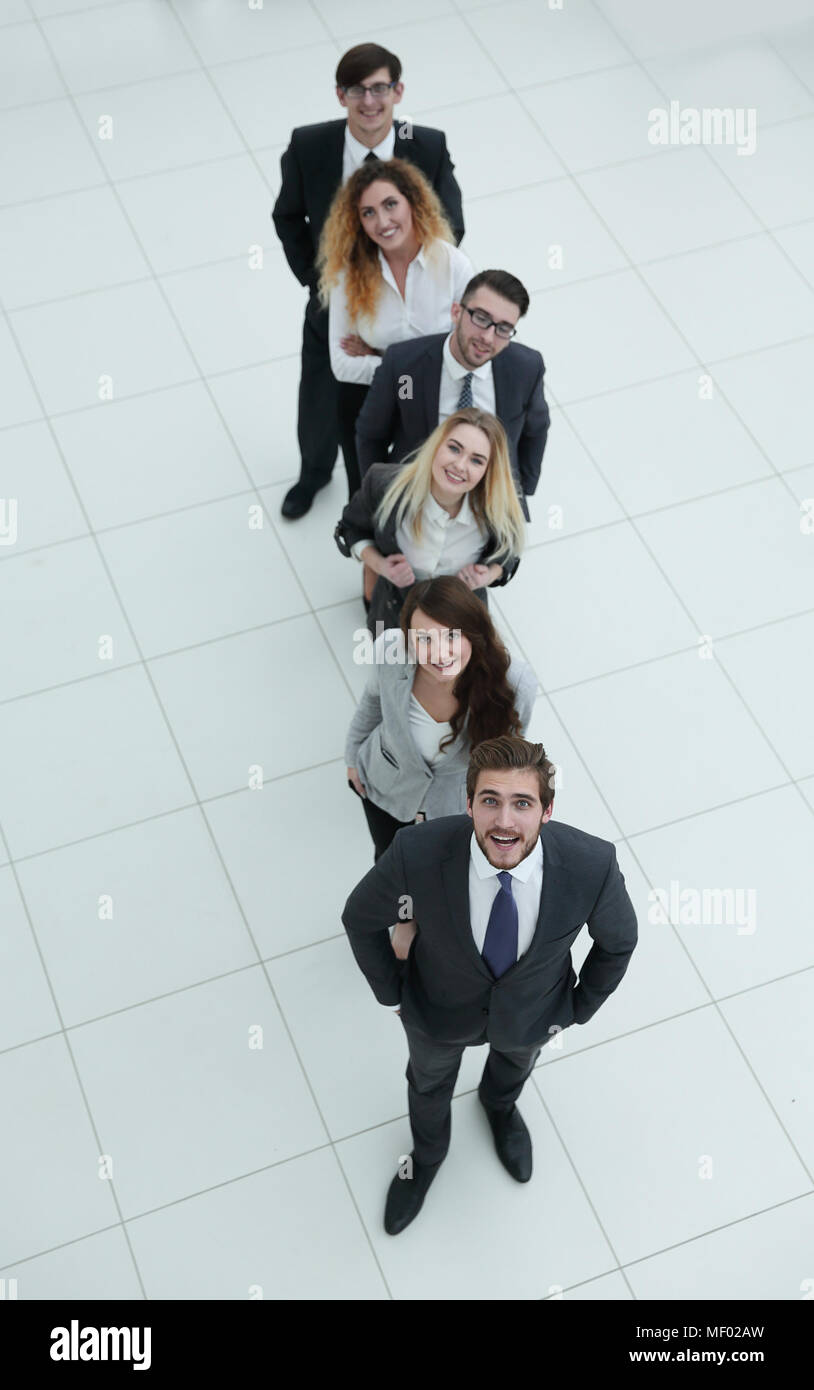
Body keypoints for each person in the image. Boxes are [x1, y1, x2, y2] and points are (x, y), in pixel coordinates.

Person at [341, 735, 639, 1235]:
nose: (504, 821)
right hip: (435, 1010)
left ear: (547, 810)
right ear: (469, 805)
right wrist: (392, 992)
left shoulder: (592, 865)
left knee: (516, 1066)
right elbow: (359, 918)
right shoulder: (418, 851)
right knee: (429, 1083)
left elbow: (619, 943)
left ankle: (498, 1107)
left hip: (532, 1015)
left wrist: (574, 1009)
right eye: (490, 801)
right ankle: (429, 1155)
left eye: (522, 803)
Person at [272, 42, 464, 521]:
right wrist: (318, 282)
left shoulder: (429, 144)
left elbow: (451, 222)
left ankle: (402, 485)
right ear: (341, 96)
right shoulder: (309, 144)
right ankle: (314, 473)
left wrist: (413, 275)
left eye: (380, 88)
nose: (370, 101)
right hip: (336, 300)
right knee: (320, 392)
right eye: (357, 90)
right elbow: (287, 215)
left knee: (403, 401)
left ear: (398, 91)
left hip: (405, 296)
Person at [346, 576, 539, 860]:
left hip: (455, 804)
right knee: (387, 858)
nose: (439, 653)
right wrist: (353, 758)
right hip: (386, 785)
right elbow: (372, 703)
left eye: (452, 635)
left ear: (474, 632)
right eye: (424, 639)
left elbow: (507, 758)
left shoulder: (515, 684)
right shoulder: (390, 650)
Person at [319, 156, 475, 499]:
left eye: (391, 204)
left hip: (438, 403)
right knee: (372, 496)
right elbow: (343, 364)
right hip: (372, 403)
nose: (383, 221)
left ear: (412, 202)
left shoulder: (451, 264)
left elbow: (473, 347)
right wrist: (423, 364)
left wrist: (383, 357)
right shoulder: (349, 277)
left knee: (434, 494)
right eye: (368, 213)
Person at [355, 268, 550, 521]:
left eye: (503, 328)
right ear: (456, 312)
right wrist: (378, 493)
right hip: (417, 489)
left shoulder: (526, 368)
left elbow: (536, 430)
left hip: (490, 497)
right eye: (481, 318)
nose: (488, 337)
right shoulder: (405, 368)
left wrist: (521, 489)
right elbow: (371, 435)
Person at [334, 407, 525, 634]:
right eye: (454, 448)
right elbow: (351, 529)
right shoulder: (384, 484)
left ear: (488, 471)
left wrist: (489, 574)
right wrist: (381, 566)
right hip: (395, 608)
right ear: (437, 445)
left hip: (460, 615)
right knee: (393, 663)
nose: (460, 465)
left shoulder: (499, 509)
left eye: (477, 460)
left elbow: (509, 554)